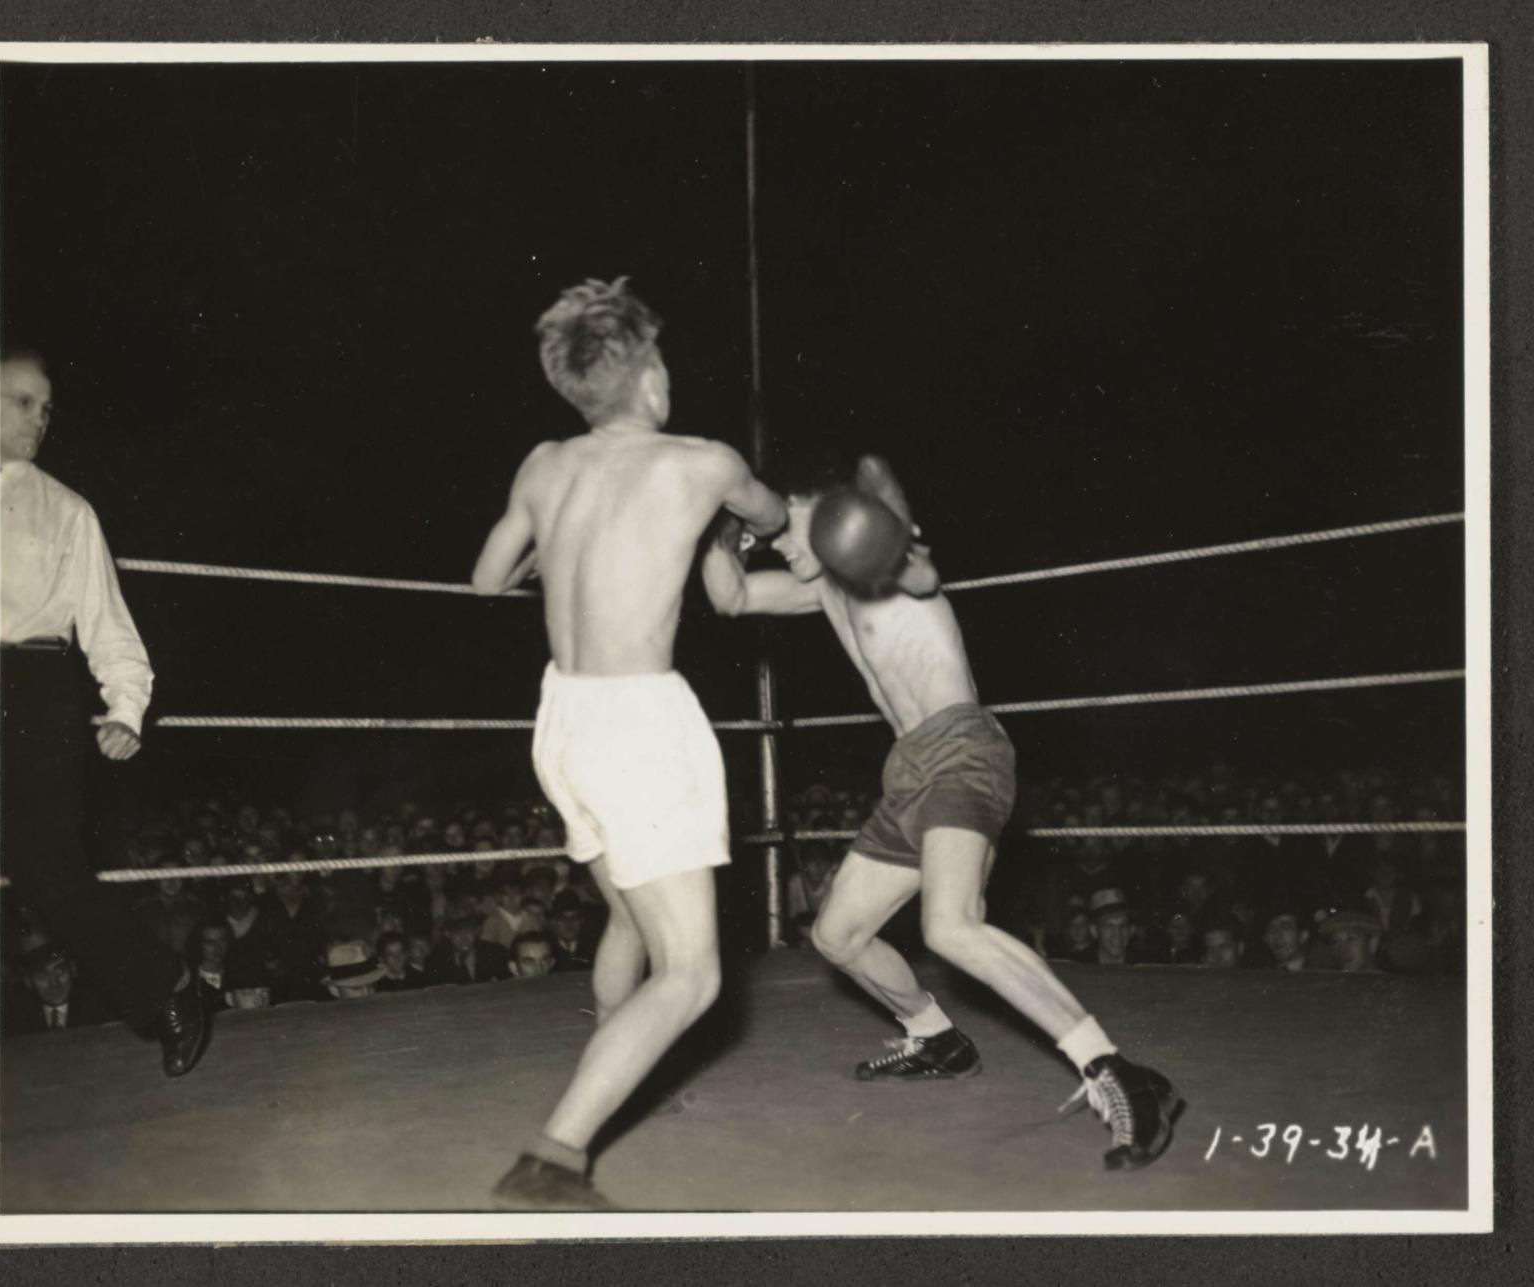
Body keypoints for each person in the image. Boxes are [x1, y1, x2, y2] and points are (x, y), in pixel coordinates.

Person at [702, 455, 1181, 1171]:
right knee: (838, 933)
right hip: (909, 772)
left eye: (784, 532)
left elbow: (915, 567)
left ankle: (1116, 1071)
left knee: (951, 925)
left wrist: (889, 524)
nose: (781, 548)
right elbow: (730, 597)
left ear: (821, 508)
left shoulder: (877, 561)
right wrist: (728, 528)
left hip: (962, 749)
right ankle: (934, 1036)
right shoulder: (826, 590)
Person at [472, 277, 788, 1209]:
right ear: (649, 374)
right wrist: (722, 521)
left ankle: (614, 1076)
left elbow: (489, 577)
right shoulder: (702, 461)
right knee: (691, 971)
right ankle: (555, 1153)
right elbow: (771, 518)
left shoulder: (542, 463)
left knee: (627, 917)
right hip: (641, 723)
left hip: (561, 717)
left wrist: (575, 550)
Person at [0, 348, 205, 1076]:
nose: (40, 418)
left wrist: (127, 706)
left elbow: (107, 620)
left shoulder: (67, 509)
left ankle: (170, 985)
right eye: (24, 401)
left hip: (32, 687)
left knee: (46, 867)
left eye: (46, 407)